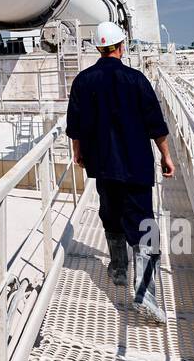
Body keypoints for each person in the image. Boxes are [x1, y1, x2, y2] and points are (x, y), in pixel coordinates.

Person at [65, 21, 174, 322]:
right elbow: (156, 125)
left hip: (102, 165)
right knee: (144, 226)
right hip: (135, 164)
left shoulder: (83, 81)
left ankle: (118, 270)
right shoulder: (136, 80)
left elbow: (74, 126)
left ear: (99, 48)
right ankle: (146, 293)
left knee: (110, 214)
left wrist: (78, 153)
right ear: (121, 46)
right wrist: (166, 156)